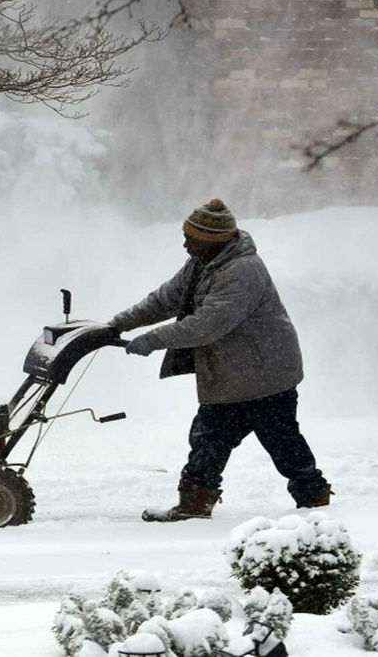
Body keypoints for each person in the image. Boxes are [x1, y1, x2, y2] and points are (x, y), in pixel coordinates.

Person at [109, 199, 331, 522]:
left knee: (281, 442)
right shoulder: (204, 262)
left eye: (192, 238)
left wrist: (153, 340)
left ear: (215, 239)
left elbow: (206, 325)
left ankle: (315, 503)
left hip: (266, 374)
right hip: (234, 374)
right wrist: (118, 324)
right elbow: (167, 298)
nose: (185, 244)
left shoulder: (242, 271)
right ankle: (195, 504)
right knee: (209, 438)